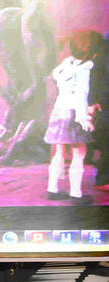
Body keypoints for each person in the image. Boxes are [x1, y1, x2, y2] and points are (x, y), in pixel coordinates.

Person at [44, 51, 95, 201]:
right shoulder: (84, 69)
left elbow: (55, 75)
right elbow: (81, 95)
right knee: (79, 152)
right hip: (74, 113)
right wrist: (83, 117)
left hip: (58, 110)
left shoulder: (65, 66)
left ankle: (52, 190)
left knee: (59, 151)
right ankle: (75, 194)